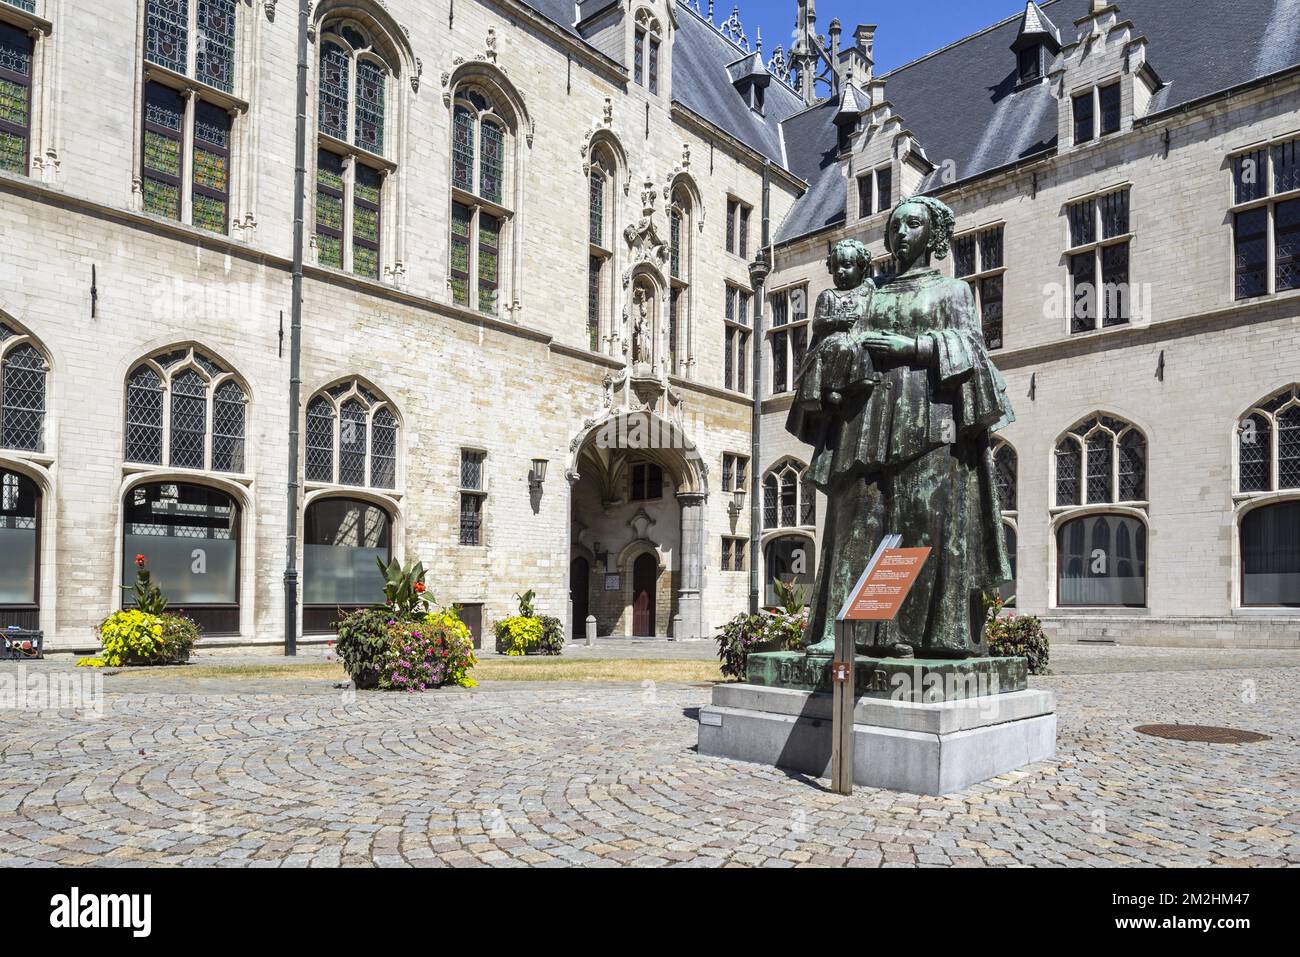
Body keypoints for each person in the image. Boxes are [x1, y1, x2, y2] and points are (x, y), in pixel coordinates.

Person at [796, 196, 1015, 658]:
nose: (900, 233)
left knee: (923, 526)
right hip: (866, 418)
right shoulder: (869, 291)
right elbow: (831, 338)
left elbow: (973, 351)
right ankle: (842, 630)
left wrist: (911, 346)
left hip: (930, 419)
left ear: (933, 236)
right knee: (855, 521)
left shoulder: (952, 292)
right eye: (895, 226)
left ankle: (921, 634)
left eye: (912, 224)